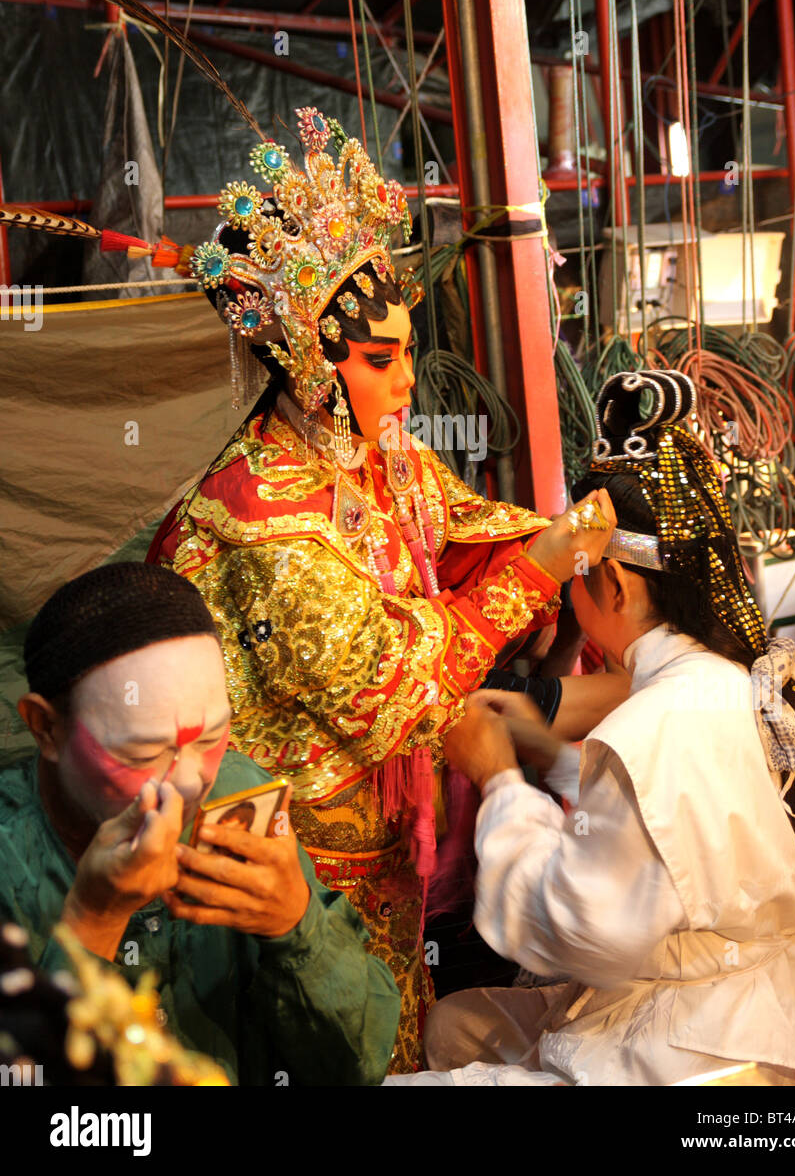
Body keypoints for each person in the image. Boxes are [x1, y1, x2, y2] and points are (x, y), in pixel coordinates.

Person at [147, 107, 590, 1069]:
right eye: (379, 361)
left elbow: (473, 528)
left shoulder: (373, 458)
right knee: (324, 1055)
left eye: (402, 351)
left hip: (384, 862)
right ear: (313, 363)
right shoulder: (261, 516)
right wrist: (541, 574)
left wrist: (581, 541)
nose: (404, 385)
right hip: (286, 878)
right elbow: (401, 694)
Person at [389, 369, 795, 1086]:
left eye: (574, 576)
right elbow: (679, 827)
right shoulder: (764, 682)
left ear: (612, 583)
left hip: (691, 1051)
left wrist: (502, 783)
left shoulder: (661, 721)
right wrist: (550, 755)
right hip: (758, 1009)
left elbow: (581, 930)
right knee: (458, 1025)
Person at [0, 562, 401, 1086]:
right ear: (46, 728)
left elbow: (357, 1067)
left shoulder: (237, 792)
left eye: (211, 739)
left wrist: (296, 928)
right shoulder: (12, 859)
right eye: (144, 751)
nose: (191, 782)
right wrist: (92, 924)